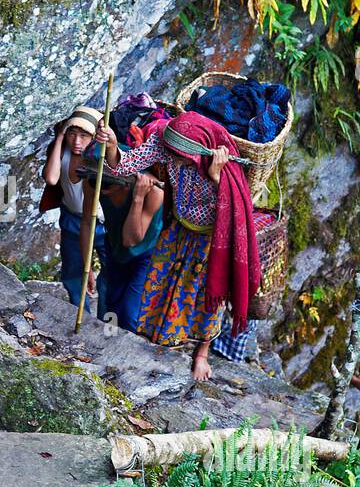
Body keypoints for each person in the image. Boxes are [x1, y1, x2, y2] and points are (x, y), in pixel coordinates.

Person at [100, 112, 260, 382]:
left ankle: (202, 354)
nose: (171, 160)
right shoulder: (165, 142)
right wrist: (113, 146)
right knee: (160, 283)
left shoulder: (218, 160)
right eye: (170, 155)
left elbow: (236, 209)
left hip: (211, 242)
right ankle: (157, 336)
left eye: (179, 158)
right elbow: (125, 166)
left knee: (205, 296)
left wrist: (216, 177)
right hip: (177, 229)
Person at [43, 105, 108, 318]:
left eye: (83, 136)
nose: (77, 142)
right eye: (72, 134)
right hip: (72, 218)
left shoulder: (101, 158)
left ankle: (106, 318)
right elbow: (51, 178)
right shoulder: (62, 152)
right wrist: (60, 137)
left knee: (110, 272)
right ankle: (83, 315)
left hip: (101, 224)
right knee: (72, 272)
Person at [86, 168, 165, 333]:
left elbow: (130, 240)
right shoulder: (95, 182)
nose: (103, 192)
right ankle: (109, 341)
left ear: (125, 186)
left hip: (145, 255)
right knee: (111, 304)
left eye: (108, 189)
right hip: (115, 250)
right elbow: (87, 222)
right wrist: (85, 266)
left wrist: (138, 198)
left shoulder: (153, 193)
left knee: (131, 313)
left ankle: (130, 350)